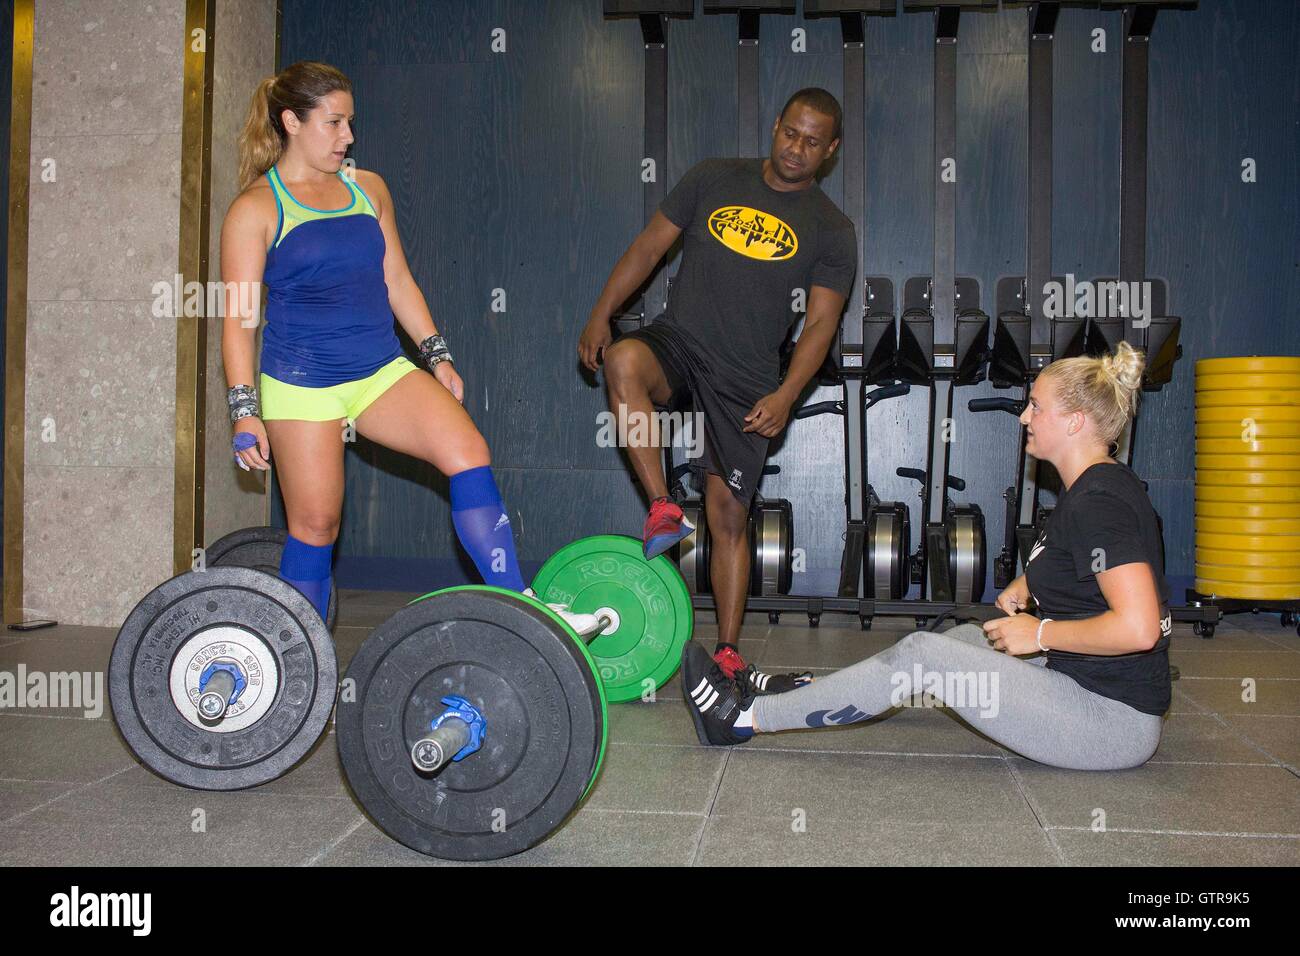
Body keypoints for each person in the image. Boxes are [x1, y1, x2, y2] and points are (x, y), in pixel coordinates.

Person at [221, 61, 594, 633]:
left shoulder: (366, 189)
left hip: (378, 370)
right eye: (335, 123)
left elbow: (396, 277)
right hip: (300, 383)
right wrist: (245, 412)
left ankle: (522, 607)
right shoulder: (256, 208)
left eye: (351, 123)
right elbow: (240, 322)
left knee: (467, 451)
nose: (348, 136)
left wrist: (436, 353)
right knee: (316, 526)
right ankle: (297, 657)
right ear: (292, 121)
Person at [683, 342, 1172, 771]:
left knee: (925, 655)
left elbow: (1139, 628)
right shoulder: (1099, 485)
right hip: (1081, 684)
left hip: (1107, 721)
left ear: (1074, 421)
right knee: (964, 638)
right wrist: (1030, 584)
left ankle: (745, 719)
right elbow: (1093, 563)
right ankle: (801, 691)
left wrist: (1040, 632)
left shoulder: (1098, 502)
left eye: (1036, 407)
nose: (1024, 417)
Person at [579, 88, 859, 695]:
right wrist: (604, 312)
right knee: (625, 359)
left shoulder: (833, 230)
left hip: (747, 376)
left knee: (729, 516)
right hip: (681, 341)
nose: (796, 148)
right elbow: (648, 249)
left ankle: (730, 652)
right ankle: (661, 506)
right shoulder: (713, 177)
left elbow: (820, 326)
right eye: (790, 132)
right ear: (776, 125)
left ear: (831, 151)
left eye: (813, 142)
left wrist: (786, 393)